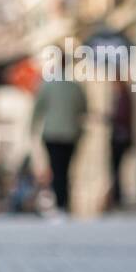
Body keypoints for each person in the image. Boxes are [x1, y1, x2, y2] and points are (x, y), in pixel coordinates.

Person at [32, 71, 88, 214]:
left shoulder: (47, 85)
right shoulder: (75, 87)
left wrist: (32, 128)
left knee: (56, 169)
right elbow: (83, 108)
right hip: (71, 133)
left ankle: (60, 202)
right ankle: (65, 202)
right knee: (67, 169)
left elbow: (38, 108)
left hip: (52, 134)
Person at [108, 79, 134, 210]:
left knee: (116, 168)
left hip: (119, 138)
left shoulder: (123, 98)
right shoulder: (123, 97)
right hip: (121, 137)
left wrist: (108, 117)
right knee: (116, 168)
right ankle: (117, 195)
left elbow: (120, 118)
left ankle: (117, 196)